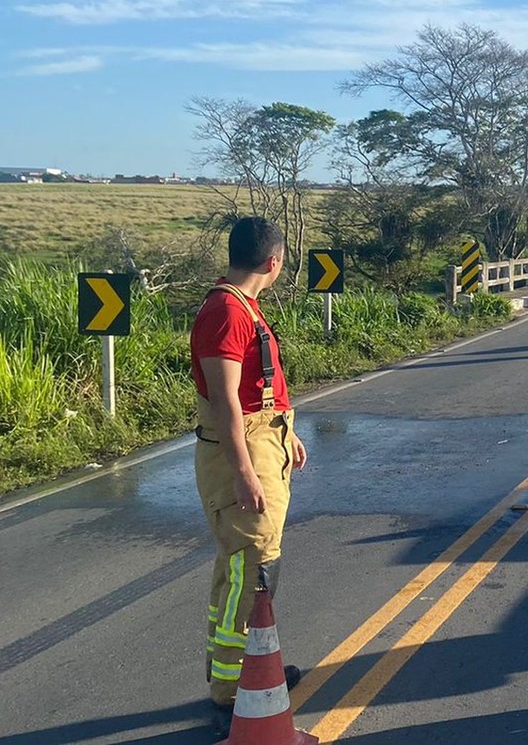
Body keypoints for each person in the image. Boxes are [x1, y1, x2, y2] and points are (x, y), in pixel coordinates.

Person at [190, 216, 309, 732]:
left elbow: (257, 390)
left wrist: (288, 435)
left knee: (240, 568)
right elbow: (224, 404)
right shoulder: (225, 313)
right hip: (242, 451)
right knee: (255, 568)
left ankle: (238, 672)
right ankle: (234, 685)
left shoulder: (242, 307)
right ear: (274, 261)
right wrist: (244, 471)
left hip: (265, 440)